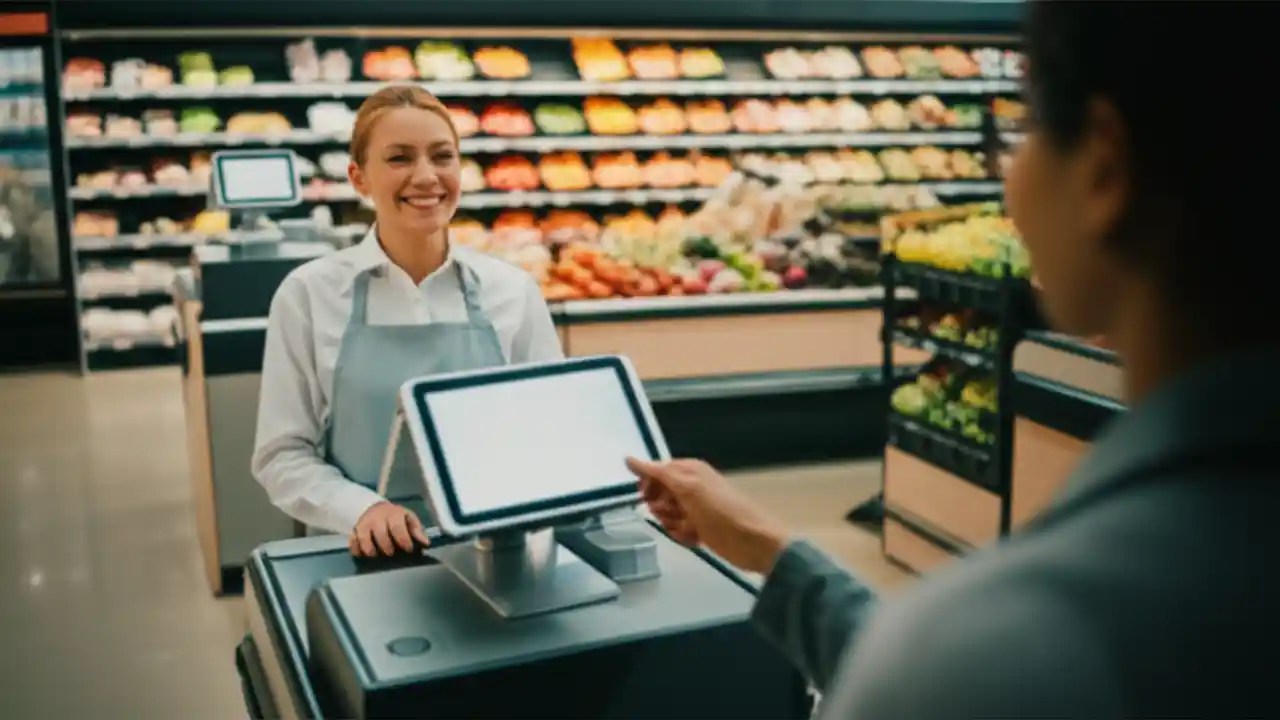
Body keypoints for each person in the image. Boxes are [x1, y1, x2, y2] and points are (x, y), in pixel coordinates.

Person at [628, 3, 1278, 717]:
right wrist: (773, 550)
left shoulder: (1017, 640)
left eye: (1025, 127)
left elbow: (952, 681)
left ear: (1103, 166)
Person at [253, 85, 561, 557]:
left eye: (442, 157)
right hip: (357, 555)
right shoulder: (308, 295)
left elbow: (549, 428)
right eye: (399, 158)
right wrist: (361, 509)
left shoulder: (512, 291)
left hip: (496, 550)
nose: (426, 177)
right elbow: (282, 454)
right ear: (359, 178)